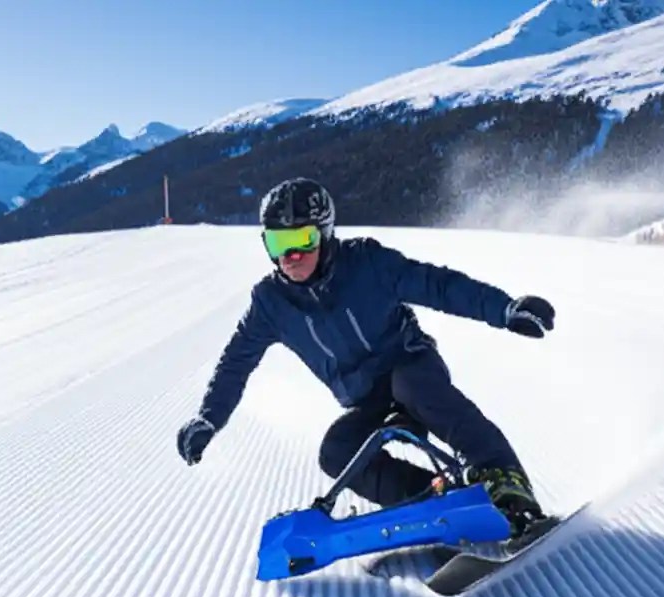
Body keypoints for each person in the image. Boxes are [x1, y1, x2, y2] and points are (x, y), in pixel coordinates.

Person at [175, 178, 557, 535]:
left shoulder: (367, 263)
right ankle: (432, 501)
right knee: (336, 452)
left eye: (301, 240)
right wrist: (209, 418)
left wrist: (504, 309)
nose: (289, 256)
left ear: (324, 234)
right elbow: (235, 362)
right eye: (277, 243)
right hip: (366, 398)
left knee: (413, 387)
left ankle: (507, 485)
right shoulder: (270, 303)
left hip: (411, 365)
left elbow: (438, 285)